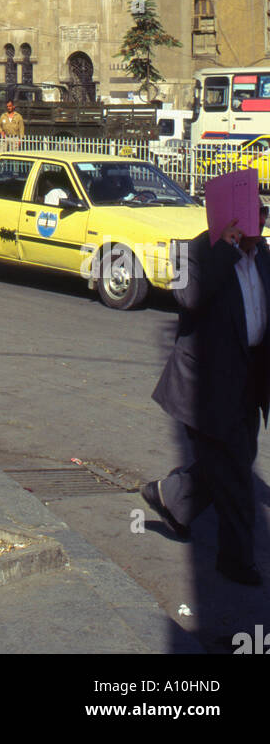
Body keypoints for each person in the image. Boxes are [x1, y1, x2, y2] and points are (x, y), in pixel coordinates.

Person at [143, 202, 270, 586]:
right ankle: (236, 560)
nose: (261, 221)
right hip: (207, 386)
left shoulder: (263, 255)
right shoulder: (196, 251)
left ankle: (172, 496)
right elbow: (188, 298)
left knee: (238, 457)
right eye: (252, 213)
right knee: (233, 473)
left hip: (249, 379)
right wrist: (224, 248)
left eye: (263, 213)